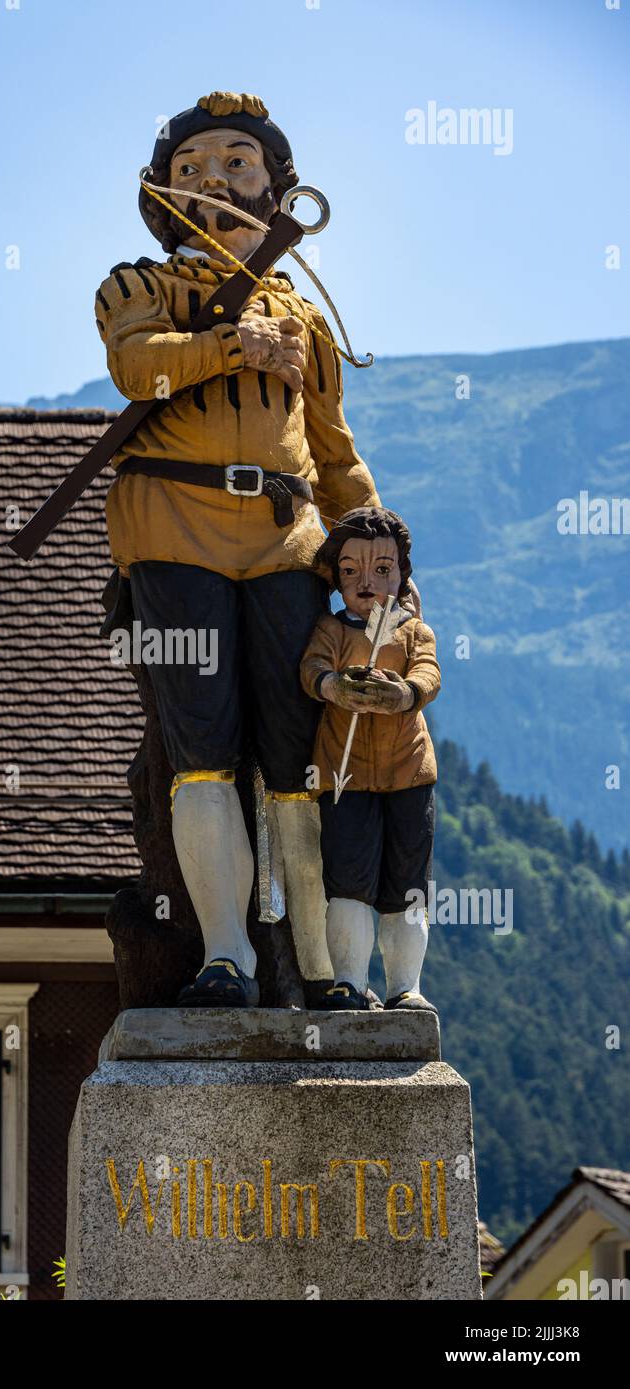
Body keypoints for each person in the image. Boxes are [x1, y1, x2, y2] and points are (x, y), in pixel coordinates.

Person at [95, 90, 396, 1007]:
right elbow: (136, 366)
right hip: (170, 530)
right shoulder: (136, 285)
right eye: (190, 167)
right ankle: (222, 950)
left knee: (297, 750)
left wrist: (379, 559)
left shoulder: (307, 322)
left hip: (288, 537)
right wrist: (230, 342)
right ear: (160, 191)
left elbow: (333, 447)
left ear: (276, 185)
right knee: (200, 745)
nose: (213, 178)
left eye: (235, 161)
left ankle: (314, 966)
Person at [300, 507, 440, 1012]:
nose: (367, 582)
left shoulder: (412, 632)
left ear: (402, 575)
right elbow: (311, 668)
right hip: (346, 774)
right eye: (351, 571)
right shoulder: (332, 630)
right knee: (349, 880)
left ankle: (405, 986)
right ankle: (349, 981)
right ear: (336, 578)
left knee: (406, 883)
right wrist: (333, 685)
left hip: (408, 772)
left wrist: (405, 694)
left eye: (382, 569)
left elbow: (429, 672)